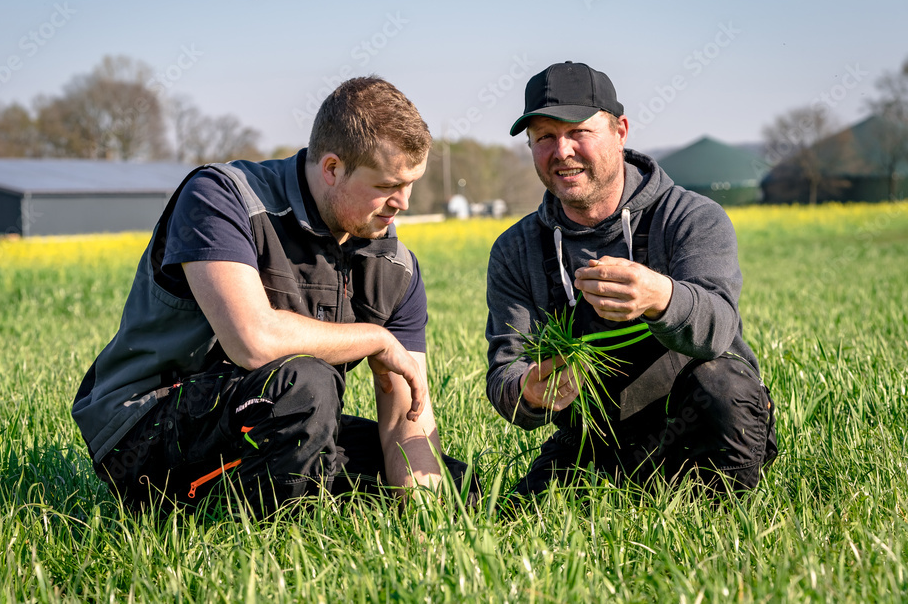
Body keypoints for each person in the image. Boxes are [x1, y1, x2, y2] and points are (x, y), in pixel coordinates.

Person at [73, 76, 474, 515]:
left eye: (410, 183)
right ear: (333, 168)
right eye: (386, 187)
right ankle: (284, 553)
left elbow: (405, 416)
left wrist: (421, 518)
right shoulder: (220, 197)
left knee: (454, 488)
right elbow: (253, 341)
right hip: (148, 431)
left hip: (278, 421)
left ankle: (314, 502)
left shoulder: (395, 266)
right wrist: (375, 338)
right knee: (305, 385)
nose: (404, 203)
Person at [485, 62, 777, 495]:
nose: (561, 150)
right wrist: (527, 394)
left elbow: (718, 329)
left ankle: (724, 525)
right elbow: (505, 369)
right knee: (517, 516)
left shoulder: (690, 219)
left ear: (620, 131)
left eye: (578, 131)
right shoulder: (516, 249)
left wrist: (662, 296)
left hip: (700, 426)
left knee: (721, 385)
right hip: (595, 438)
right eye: (544, 137)